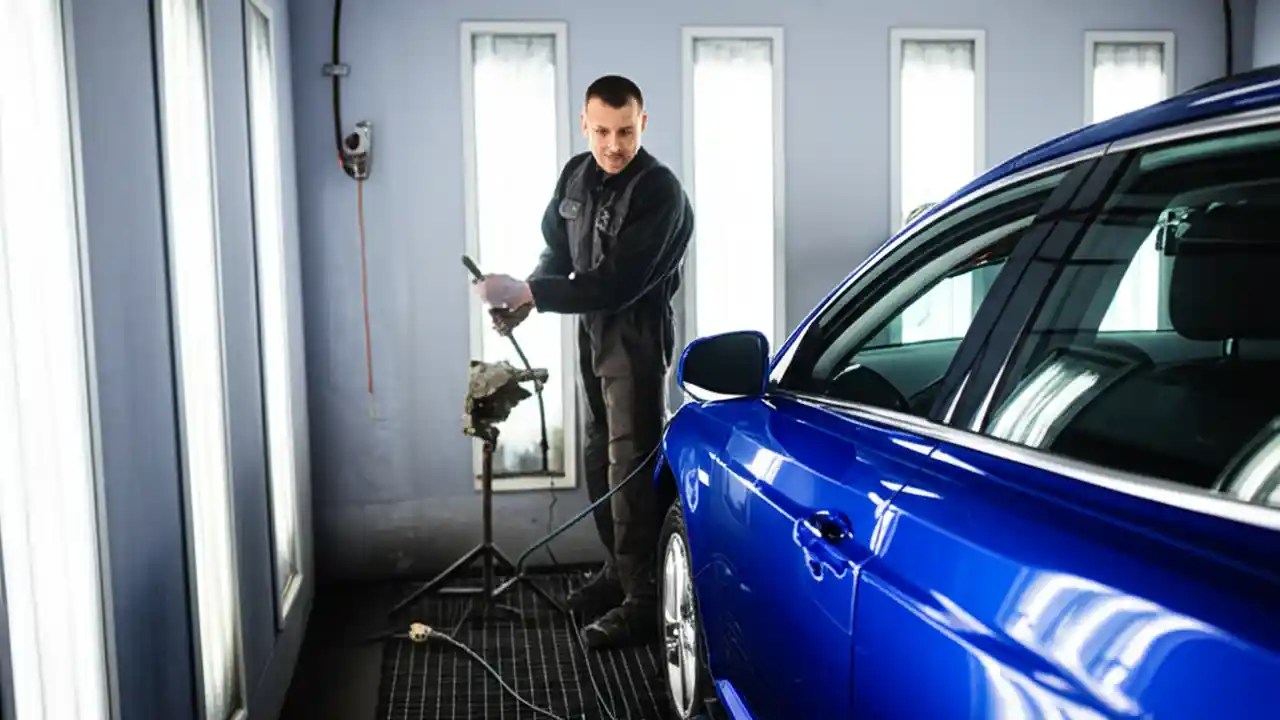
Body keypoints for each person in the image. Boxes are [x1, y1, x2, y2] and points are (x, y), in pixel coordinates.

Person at [473, 74, 694, 649]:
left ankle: (646, 600)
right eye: (602, 131)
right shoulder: (576, 173)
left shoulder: (660, 192)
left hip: (635, 337)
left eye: (625, 131)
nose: (613, 144)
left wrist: (533, 294)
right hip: (589, 332)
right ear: (584, 124)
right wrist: (526, 296)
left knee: (630, 465)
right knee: (599, 456)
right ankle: (618, 573)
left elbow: (618, 283)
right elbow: (558, 249)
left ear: (643, 124)